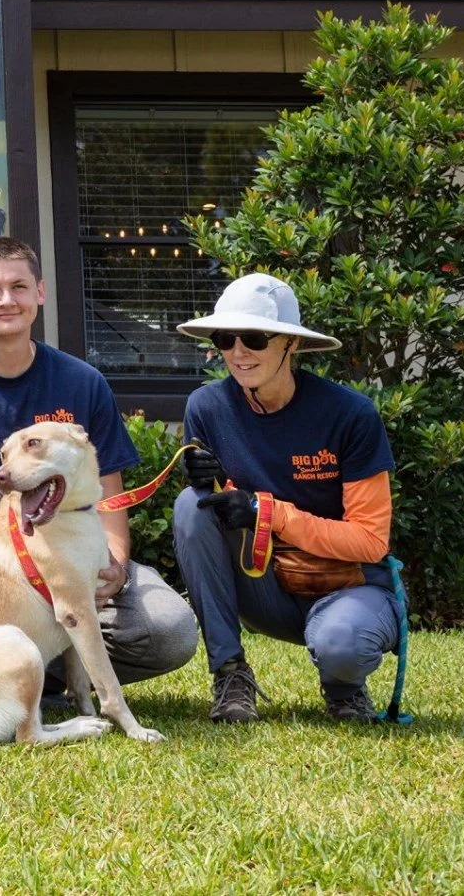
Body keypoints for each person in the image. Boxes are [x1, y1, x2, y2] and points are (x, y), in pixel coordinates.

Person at [0, 235, 197, 703]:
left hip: (70, 568)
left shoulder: (80, 382)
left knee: (170, 629)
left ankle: (33, 676)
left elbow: (107, 493)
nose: (6, 300)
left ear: (40, 293)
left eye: (19, 287)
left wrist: (116, 560)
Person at [172, 272, 402, 724]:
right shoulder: (206, 407)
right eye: (226, 338)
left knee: (342, 647)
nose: (238, 352)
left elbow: (372, 542)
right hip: (267, 585)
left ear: (289, 344)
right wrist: (219, 487)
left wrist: (265, 510)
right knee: (190, 505)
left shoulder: (351, 414)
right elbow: (226, 516)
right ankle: (230, 675)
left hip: (349, 586)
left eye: (254, 338)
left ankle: (344, 688)